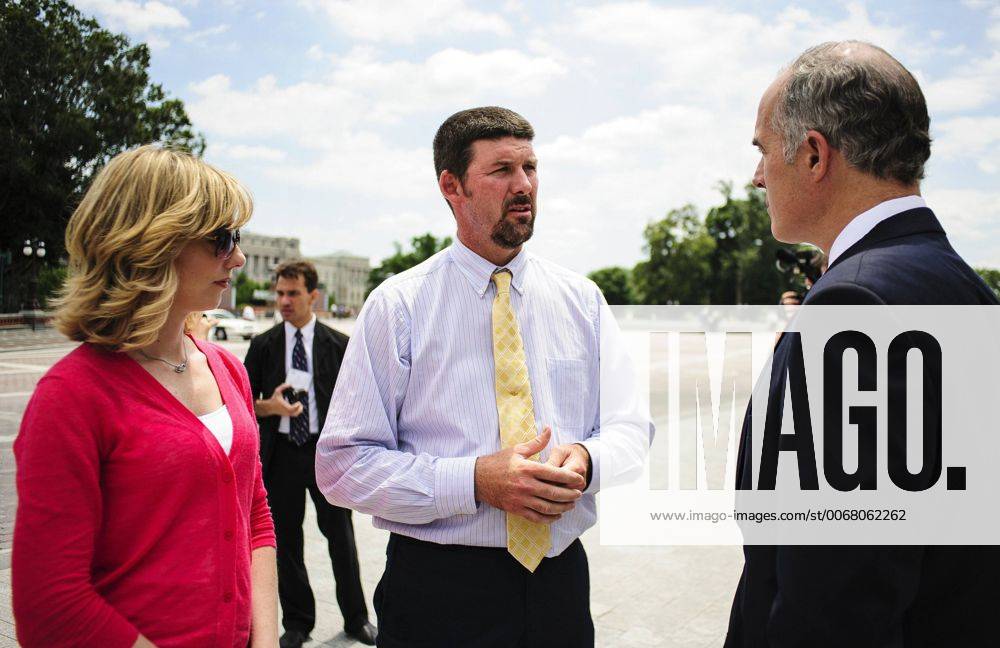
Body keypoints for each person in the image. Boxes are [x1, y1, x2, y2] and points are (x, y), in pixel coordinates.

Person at [315, 106, 649, 647]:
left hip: (559, 587)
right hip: (437, 593)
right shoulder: (397, 306)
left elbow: (631, 428)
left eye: (531, 168)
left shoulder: (582, 301)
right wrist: (473, 481)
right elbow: (341, 467)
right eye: (502, 171)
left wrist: (586, 460)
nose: (525, 186)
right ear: (452, 186)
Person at [727, 41, 1000, 647]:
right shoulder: (967, 289)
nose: (755, 175)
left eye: (762, 149)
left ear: (814, 154)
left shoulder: (852, 306)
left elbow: (834, 602)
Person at [12, 145, 278, 647]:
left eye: (237, 239)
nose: (238, 258)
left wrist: (265, 641)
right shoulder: (72, 396)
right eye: (221, 239)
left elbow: (255, 517)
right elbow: (50, 602)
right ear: (152, 244)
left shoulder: (227, 369)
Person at [243, 260, 377, 647]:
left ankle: (356, 619)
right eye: (280, 293)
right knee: (286, 542)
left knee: (342, 538)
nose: (284, 301)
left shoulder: (339, 344)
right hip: (282, 455)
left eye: (293, 293)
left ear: (313, 296)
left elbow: (359, 402)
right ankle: (298, 624)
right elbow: (243, 402)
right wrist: (270, 407)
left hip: (325, 455)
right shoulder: (264, 345)